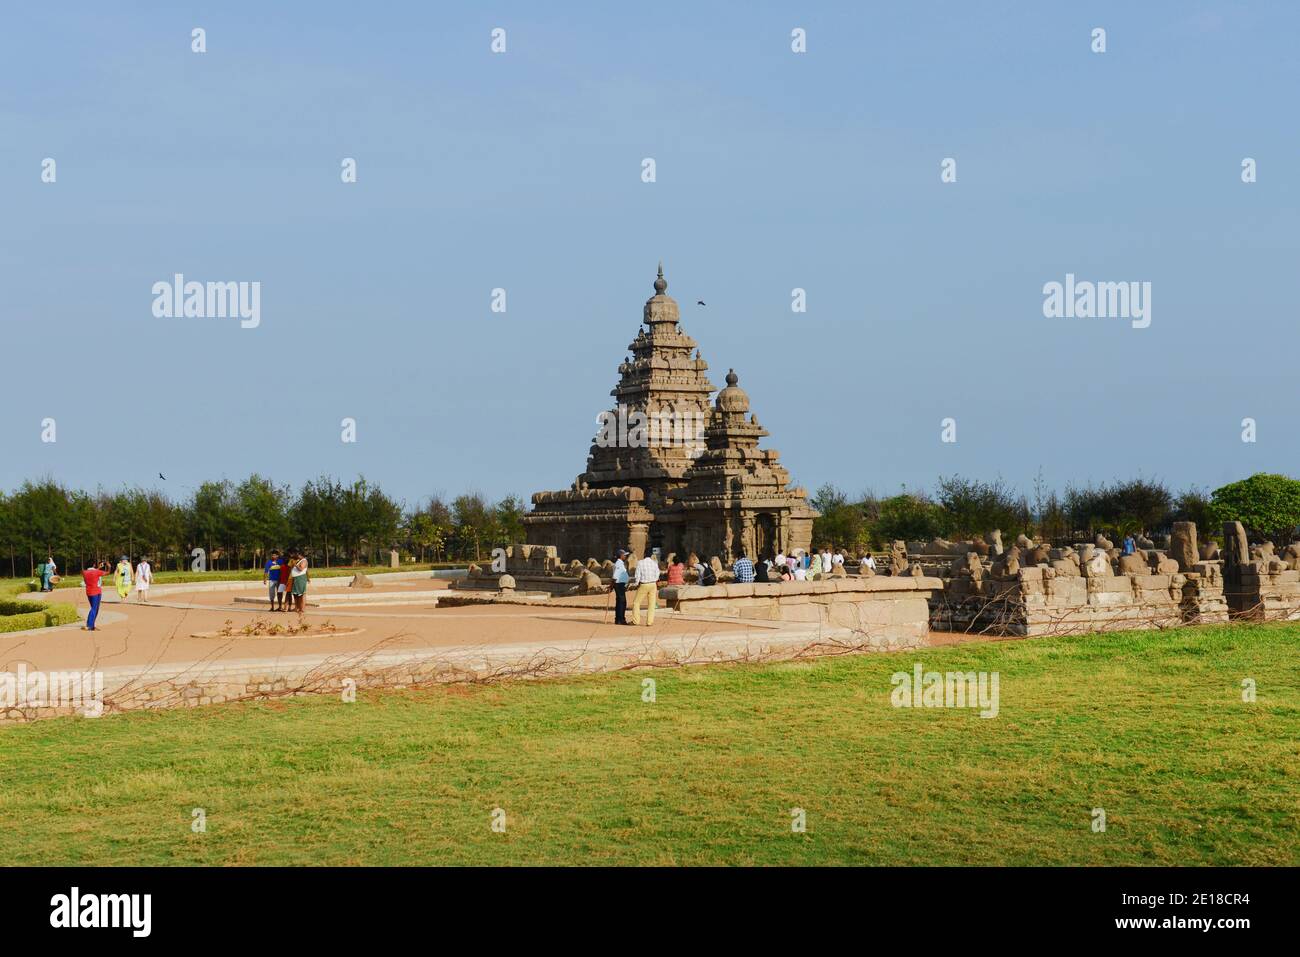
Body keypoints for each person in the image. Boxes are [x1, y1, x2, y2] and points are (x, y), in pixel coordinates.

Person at [631, 551, 660, 626]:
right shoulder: (654, 563)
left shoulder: (640, 563)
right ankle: (649, 622)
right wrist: (654, 580)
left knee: (636, 603)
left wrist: (636, 584)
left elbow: (637, 575)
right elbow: (657, 574)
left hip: (644, 584)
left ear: (644, 554)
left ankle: (636, 621)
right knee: (651, 604)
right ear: (651, 555)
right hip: (653, 584)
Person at [81, 561, 109, 631]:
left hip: (88, 591)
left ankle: (92, 625)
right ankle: (89, 625)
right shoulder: (97, 572)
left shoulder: (84, 572)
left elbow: (86, 580)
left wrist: (98, 568)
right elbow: (107, 573)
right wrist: (109, 566)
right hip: (96, 591)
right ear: (94, 565)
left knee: (93, 608)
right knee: (94, 609)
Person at [611, 548, 630, 625]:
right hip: (619, 584)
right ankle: (621, 619)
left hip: (620, 584)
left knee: (620, 602)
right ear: (621, 556)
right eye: (624, 555)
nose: (625, 556)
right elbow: (615, 576)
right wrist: (612, 585)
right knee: (622, 602)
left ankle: (619, 619)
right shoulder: (618, 563)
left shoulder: (620, 563)